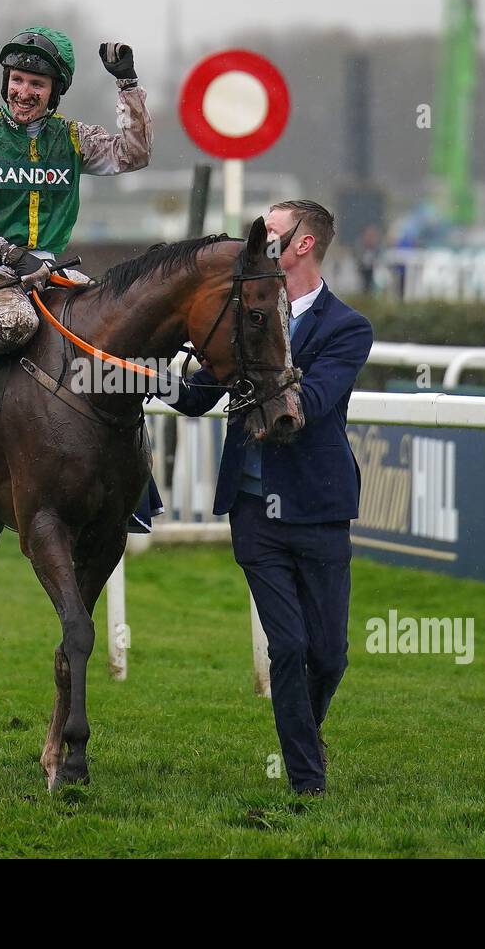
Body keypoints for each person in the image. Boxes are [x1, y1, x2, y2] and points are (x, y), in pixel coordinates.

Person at [172, 200, 373, 795]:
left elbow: (313, 404)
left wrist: (274, 392)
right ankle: (307, 781)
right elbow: (192, 398)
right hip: (254, 511)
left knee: (329, 656)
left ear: (304, 244)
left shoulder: (346, 328)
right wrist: (149, 370)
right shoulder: (243, 313)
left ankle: (307, 739)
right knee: (288, 647)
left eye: (271, 234)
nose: (256, 241)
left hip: (320, 509)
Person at [0, 27, 153, 424]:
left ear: (55, 92)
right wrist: (12, 256)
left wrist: (127, 84)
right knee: (16, 323)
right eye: (17, 80)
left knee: (109, 319)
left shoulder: (74, 138)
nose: (23, 92)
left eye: (36, 84)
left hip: (53, 272)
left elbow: (134, 154)